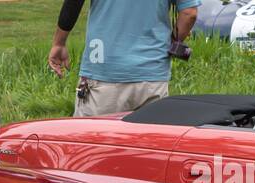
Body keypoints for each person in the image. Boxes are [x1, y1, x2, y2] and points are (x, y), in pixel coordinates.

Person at [49, 0, 199, 117]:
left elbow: (73, 3)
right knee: (147, 152)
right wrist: (174, 42)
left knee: (92, 149)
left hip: (104, 71)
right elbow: (189, 12)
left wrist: (59, 43)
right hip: (153, 76)